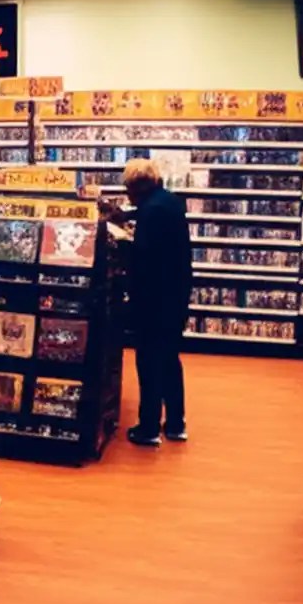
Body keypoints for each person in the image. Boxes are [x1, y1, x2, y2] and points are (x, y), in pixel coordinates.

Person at [111, 159, 192, 446]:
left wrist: (122, 245)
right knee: (169, 358)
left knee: (148, 361)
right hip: (175, 296)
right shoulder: (168, 201)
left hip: (153, 300)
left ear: (136, 186)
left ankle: (148, 428)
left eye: (128, 189)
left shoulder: (152, 211)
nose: (128, 194)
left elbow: (143, 258)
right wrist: (125, 216)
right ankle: (176, 423)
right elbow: (149, 213)